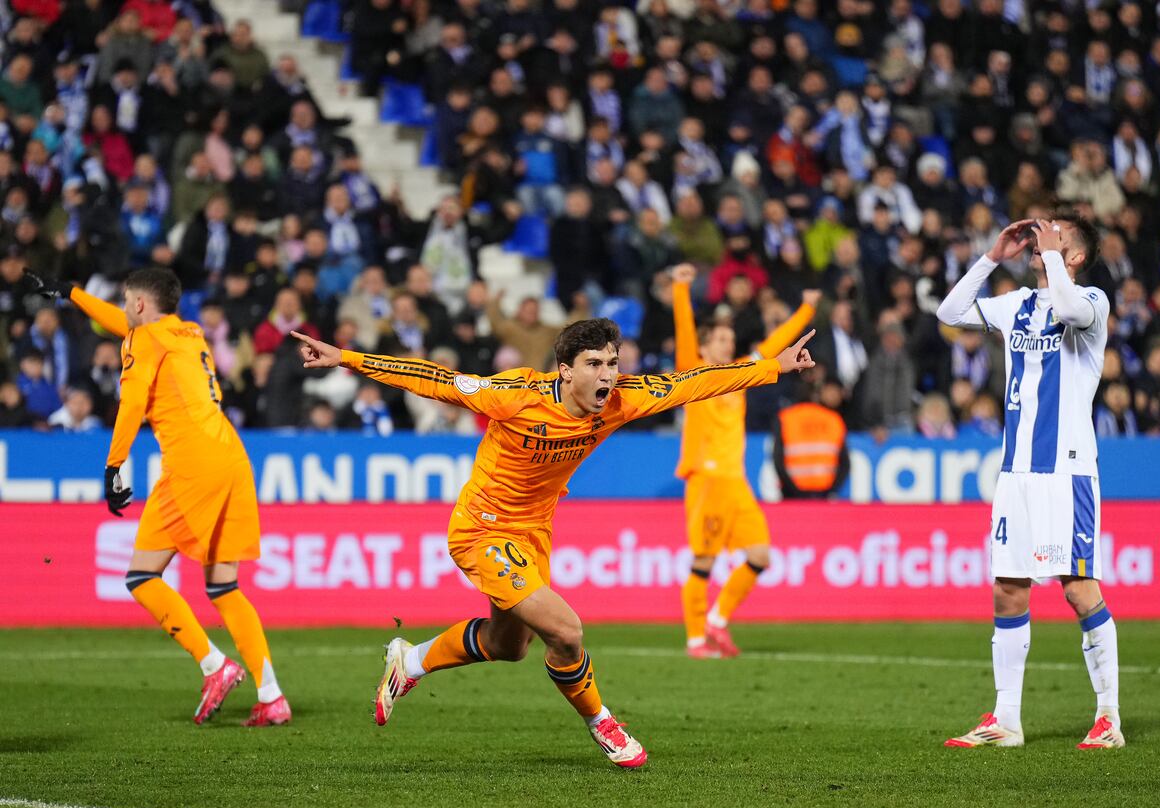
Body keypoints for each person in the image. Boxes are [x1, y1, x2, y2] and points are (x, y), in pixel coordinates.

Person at [289, 269, 817, 768]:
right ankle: (603, 722)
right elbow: (435, 378)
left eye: (612, 363)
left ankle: (411, 660)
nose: (607, 375)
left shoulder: (625, 399)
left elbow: (697, 381)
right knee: (566, 632)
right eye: (594, 365)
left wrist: (772, 367)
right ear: (565, 371)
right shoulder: (515, 394)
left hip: (534, 530)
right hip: (483, 528)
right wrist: (346, 357)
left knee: (507, 646)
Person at [24, 267, 290, 728]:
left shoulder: (145, 340)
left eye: (128, 301)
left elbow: (131, 403)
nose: (125, 310)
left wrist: (113, 465)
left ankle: (214, 665)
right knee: (224, 586)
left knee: (141, 576)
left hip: (191, 464)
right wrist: (71, 293)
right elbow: (122, 322)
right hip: (231, 456)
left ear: (141, 304)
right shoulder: (187, 332)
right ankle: (271, 696)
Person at [936, 215, 1122, 750]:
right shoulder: (1016, 303)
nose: (1042, 239)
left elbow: (1064, 306)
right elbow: (949, 312)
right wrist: (991, 256)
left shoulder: (1090, 301)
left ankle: (1108, 717)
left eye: (1056, 234)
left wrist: (1054, 260)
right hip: (1015, 472)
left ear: (1076, 255)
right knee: (1008, 590)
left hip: (1067, 471)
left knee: (1079, 589)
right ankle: (1007, 720)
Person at [671, 265, 818, 658]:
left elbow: (772, 348)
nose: (726, 343)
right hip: (706, 478)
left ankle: (718, 620)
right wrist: (682, 288)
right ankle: (696, 640)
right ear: (703, 347)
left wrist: (805, 310)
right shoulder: (693, 374)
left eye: (729, 337)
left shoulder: (739, 374)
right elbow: (685, 333)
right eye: (719, 338)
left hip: (736, 482)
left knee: (760, 556)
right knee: (703, 561)